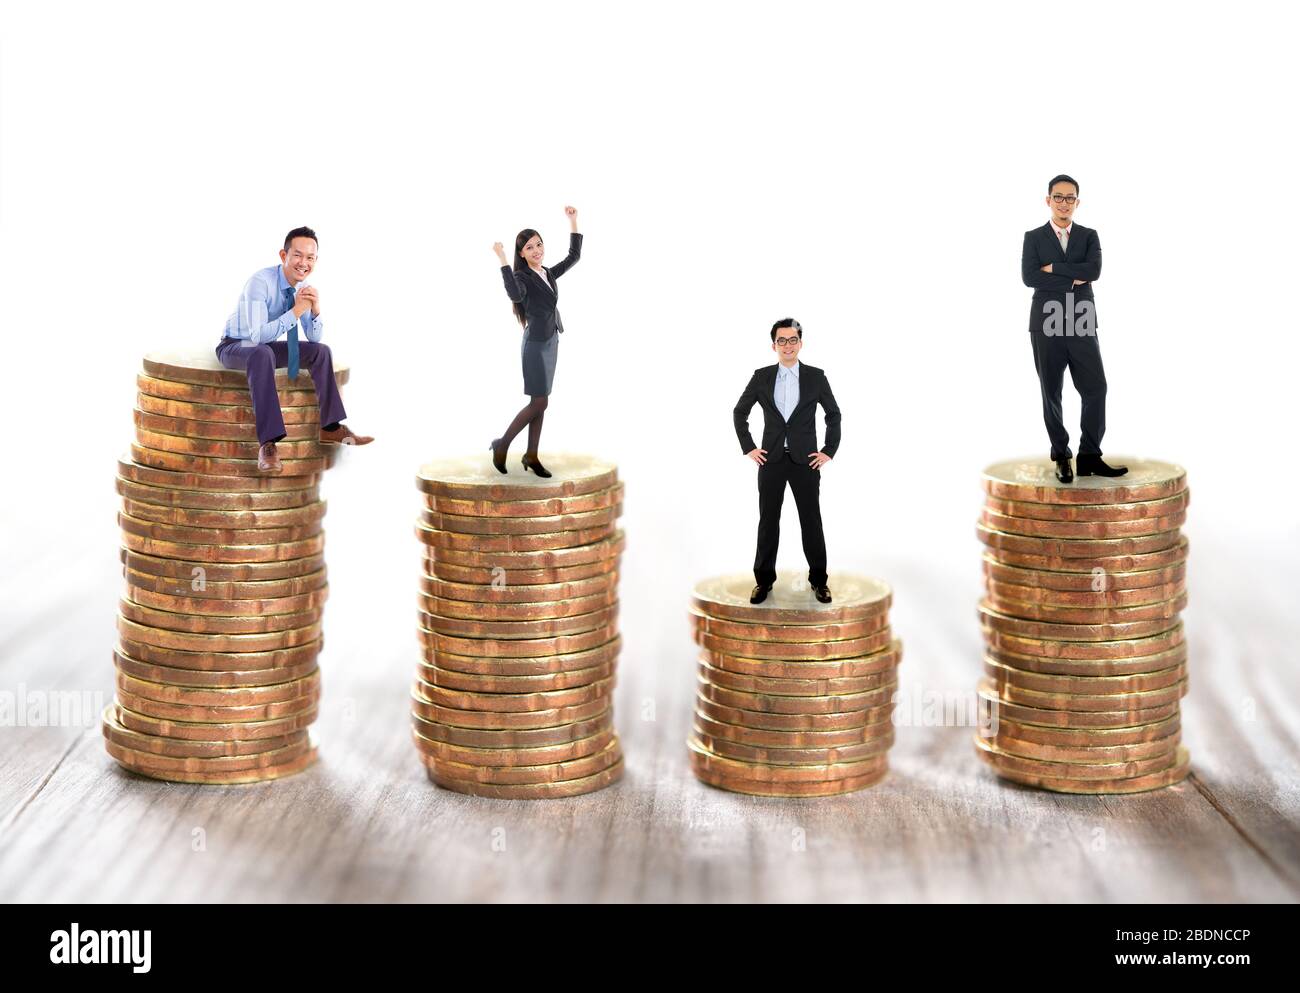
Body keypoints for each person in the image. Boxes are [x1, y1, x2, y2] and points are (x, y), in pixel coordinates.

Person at [215, 227, 372, 473]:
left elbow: (313, 336)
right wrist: (296, 312)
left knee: (321, 351)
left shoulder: (303, 287)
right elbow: (256, 336)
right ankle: (268, 443)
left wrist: (315, 309)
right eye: (298, 255)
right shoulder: (260, 282)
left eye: (310, 258)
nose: (303, 263)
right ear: (283, 255)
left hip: (263, 348)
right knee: (261, 352)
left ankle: (330, 428)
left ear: (315, 261)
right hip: (236, 344)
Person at [1021, 175, 1127, 483]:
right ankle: (1062, 455)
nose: (1064, 202)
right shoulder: (1034, 237)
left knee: (1096, 388)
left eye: (1070, 198)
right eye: (1058, 197)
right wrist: (1072, 279)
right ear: (1048, 200)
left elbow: (1093, 271)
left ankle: (1090, 456)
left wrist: (1053, 268)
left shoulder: (1090, 236)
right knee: (1051, 391)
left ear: (1077, 202)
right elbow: (1030, 277)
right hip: (1046, 321)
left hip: (1081, 318)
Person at [733, 318, 841, 605]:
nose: (788, 345)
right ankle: (763, 581)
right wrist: (750, 448)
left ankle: (819, 580)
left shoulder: (816, 377)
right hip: (771, 461)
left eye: (793, 340)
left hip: (806, 462)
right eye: (782, 340)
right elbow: (739, 412)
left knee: (811, 521)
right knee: (768, 521)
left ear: (800, 343)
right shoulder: (761, 377)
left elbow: (833, 414)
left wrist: (828, 450)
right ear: (774, 345)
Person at [489, 206, 583, 478]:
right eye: (529, 248)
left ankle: (531, 455)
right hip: (535, 346)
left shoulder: (548, 273)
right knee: (539, 403)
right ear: (522, 253)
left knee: (540, 400)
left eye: (539, 244)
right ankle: (502, 443)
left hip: (551, 341)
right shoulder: (522, 277)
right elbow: (514, 295)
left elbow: (574, 256)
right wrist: (503, 259)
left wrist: (573, 220)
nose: (536, 250)